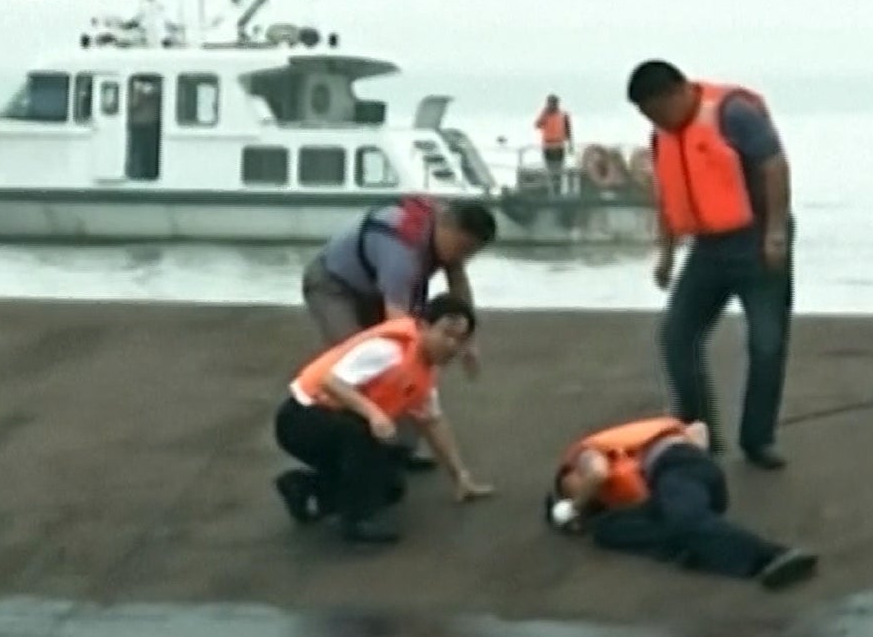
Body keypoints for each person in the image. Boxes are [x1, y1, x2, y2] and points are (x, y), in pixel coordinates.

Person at [626, 60, 793, 470]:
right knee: (677, 336)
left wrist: (774, 232)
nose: (654, 121)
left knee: (766, 342)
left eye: (655, 111)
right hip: (707, 248)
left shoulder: (733, 114)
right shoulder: (661, 136)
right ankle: (697, 433)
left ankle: (758, 439)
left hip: (755, 240)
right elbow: (668, 194)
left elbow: (775, 166)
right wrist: (665, 253)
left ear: (678, 93)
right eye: (646, 116)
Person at [273, 293, 495, 544]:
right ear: (423, 326)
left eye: (460, 339)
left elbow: (433, 421)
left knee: (390, 487)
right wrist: (374, 414)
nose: (452, 345)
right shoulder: (388, 350)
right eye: (446, 334)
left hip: (333, 423)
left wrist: (460, 476)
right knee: (363, 437)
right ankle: (355, 522)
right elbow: (331, 382)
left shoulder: (423, 371)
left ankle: (303, 487)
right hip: (300, 419)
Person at [300, 196, 498, 467]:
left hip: (374, 287)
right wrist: (428, 364)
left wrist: (468, 339)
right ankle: (347, 445)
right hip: (334, 286)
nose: (463, 258)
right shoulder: (402, 249)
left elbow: (458, 285)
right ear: (447, 229)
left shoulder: (444, 235)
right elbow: (399, 328)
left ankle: (400, 448)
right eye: (463, 249)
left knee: (408, 368)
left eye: (471, 253)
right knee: (367, 361)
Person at [545, 416, 817, 590]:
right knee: (608, 532)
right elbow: (699, 430)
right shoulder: (616, 497)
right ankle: (690, 550)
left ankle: (773, 556)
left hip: (675, 465)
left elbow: (598, 473)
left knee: (684, 521)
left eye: (568, 490)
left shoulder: (584, 455)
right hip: (690, 479)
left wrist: (571, 507)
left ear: (568, 476)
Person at [534, 94, 573, 194]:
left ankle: (558, 191)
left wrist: (571, 145)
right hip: (548, 146)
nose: (552, 105)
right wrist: (544, 114)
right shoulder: (544, 115)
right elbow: (537, 125)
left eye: (553, 103)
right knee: (550, 170)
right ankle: (551, 191)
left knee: (558, 170)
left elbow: (568, 131)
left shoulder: (563, 115)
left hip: (559, 146)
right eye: (550, 103)